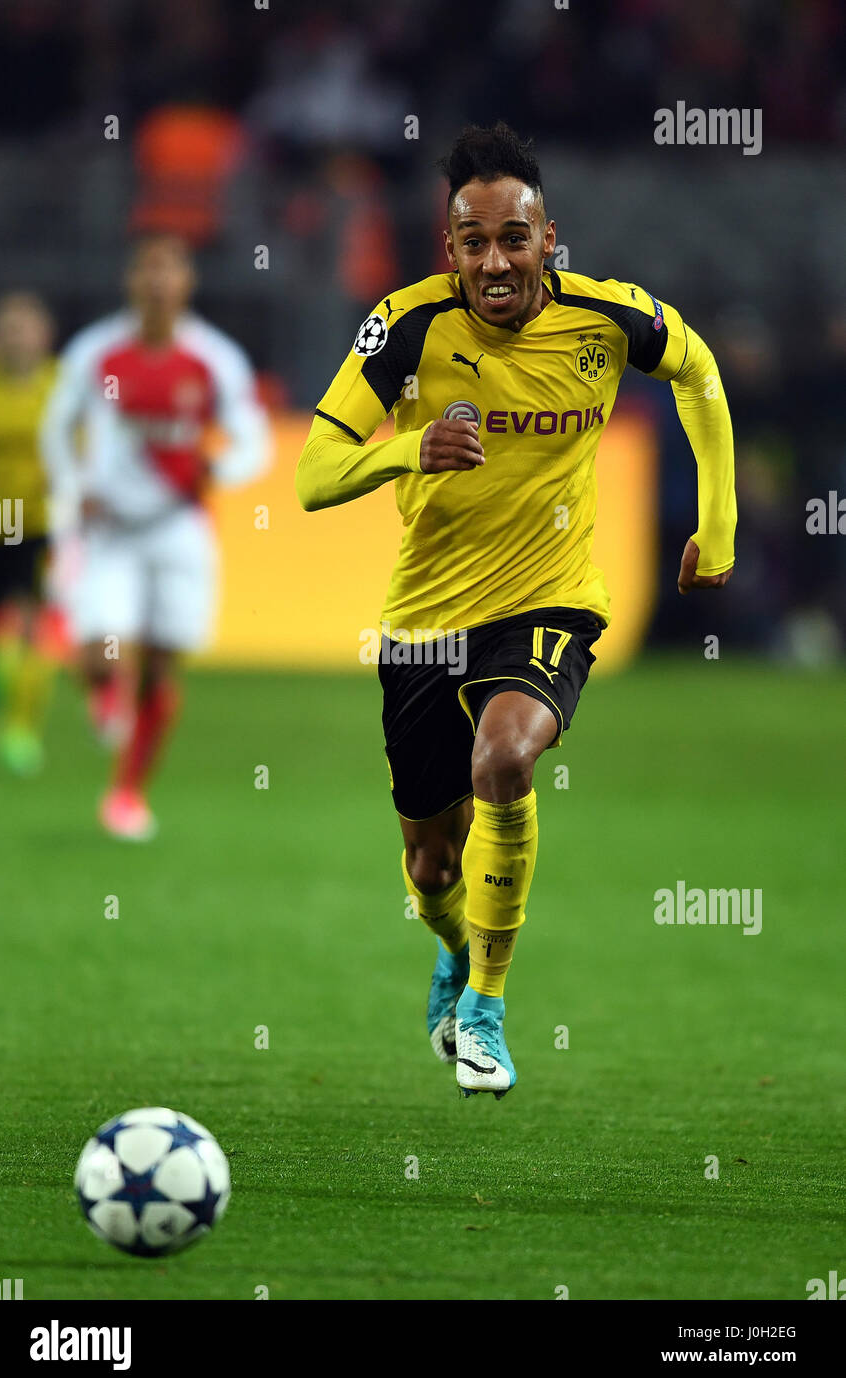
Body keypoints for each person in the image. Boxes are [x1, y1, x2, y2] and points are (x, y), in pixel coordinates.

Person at [296, 123, 736, 1098]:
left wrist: (719, 522)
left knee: (503, 756)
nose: (494, 260)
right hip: (424, 619)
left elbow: (698, 372)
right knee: (426, 864)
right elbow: (311, 475)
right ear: (447, 249)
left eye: (512, 237)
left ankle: (487, 1004)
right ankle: (453, 953)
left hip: (548, 599)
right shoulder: (404, 327)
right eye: (472, 242)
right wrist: (406, 451)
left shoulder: (607, 318)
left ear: (547, 238)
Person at [42, 234, 271, 839]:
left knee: (161, 668)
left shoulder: (214, 359)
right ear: (132, 280)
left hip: (178, 527)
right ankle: (102, 690)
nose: (157, 282)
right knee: (99, 656)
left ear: (186, 284)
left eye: (169, 270)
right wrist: (70, 487)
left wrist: (217, 468)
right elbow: (57, 425)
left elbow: (254, 439)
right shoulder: (96, 352)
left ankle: (126, 794)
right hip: (110, 529)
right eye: (147, 269)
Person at [0, 292, 59, 774]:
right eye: (8, 328)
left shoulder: (60, 384)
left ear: (43, 336)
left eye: (25, 328)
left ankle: (21, 726)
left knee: (33, 618)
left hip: (42, 517)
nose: (16, 337)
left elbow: (81, 440)